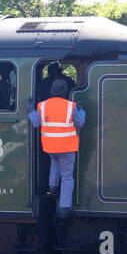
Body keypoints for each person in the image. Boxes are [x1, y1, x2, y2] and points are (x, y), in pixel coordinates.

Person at [27, 77, 85, 217]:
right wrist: (82, 111)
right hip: (66, 147)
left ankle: (52, 188)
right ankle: (64, 207)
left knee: (55, 162)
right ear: (65, 92)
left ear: (52, 90)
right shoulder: (71, 106)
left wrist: (30, 111)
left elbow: (36, 123)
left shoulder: (42, 105)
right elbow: (80, 123)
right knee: (67, 177)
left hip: (50, 147)